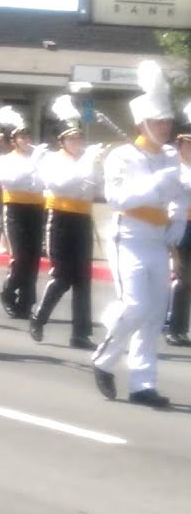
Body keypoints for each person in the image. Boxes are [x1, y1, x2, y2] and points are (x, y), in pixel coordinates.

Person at [92, 60, 184, 408]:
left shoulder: (172, 156)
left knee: (155, 312)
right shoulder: (121, 157)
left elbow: (179, 193)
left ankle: (143, 383)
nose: (165, 126)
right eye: (158, 121)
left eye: (168, 121)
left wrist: (177, 218)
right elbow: (117, 197)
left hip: (157, 240)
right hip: (127, 237)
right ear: (142, 122)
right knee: (135, 306)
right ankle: (103, 359)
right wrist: (154, 184)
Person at [31, 95, 104, 348]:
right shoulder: (51, 160)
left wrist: (92, 167)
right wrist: (86, 164)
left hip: (82, 218)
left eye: (80, 137)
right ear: (61, 140)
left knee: (83, 278)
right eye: (72, 138)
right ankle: (39, 318)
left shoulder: (85, 161)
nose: (78, 142)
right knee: (62, 276)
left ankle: (80, 334)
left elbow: (94, 189)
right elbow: (61, 185)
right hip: (60, 219)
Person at [0, 106, 47, 319]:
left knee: (33, 257)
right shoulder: (5, 160)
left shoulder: (39, 158)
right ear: (13, 140)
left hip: (36, 208)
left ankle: (26, 302)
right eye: (22, 136)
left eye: (28, 135)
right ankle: (7, 290)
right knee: (21, 256)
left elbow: (41, 183)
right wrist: (34, 164)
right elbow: (13, 181)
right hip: (15, 209)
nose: (27, 139)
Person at [168, 108, 191, 348]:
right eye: (187, 143)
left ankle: (180, 328)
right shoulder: (173, 166)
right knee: (182, 278)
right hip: (178, 224)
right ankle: (174, 327)